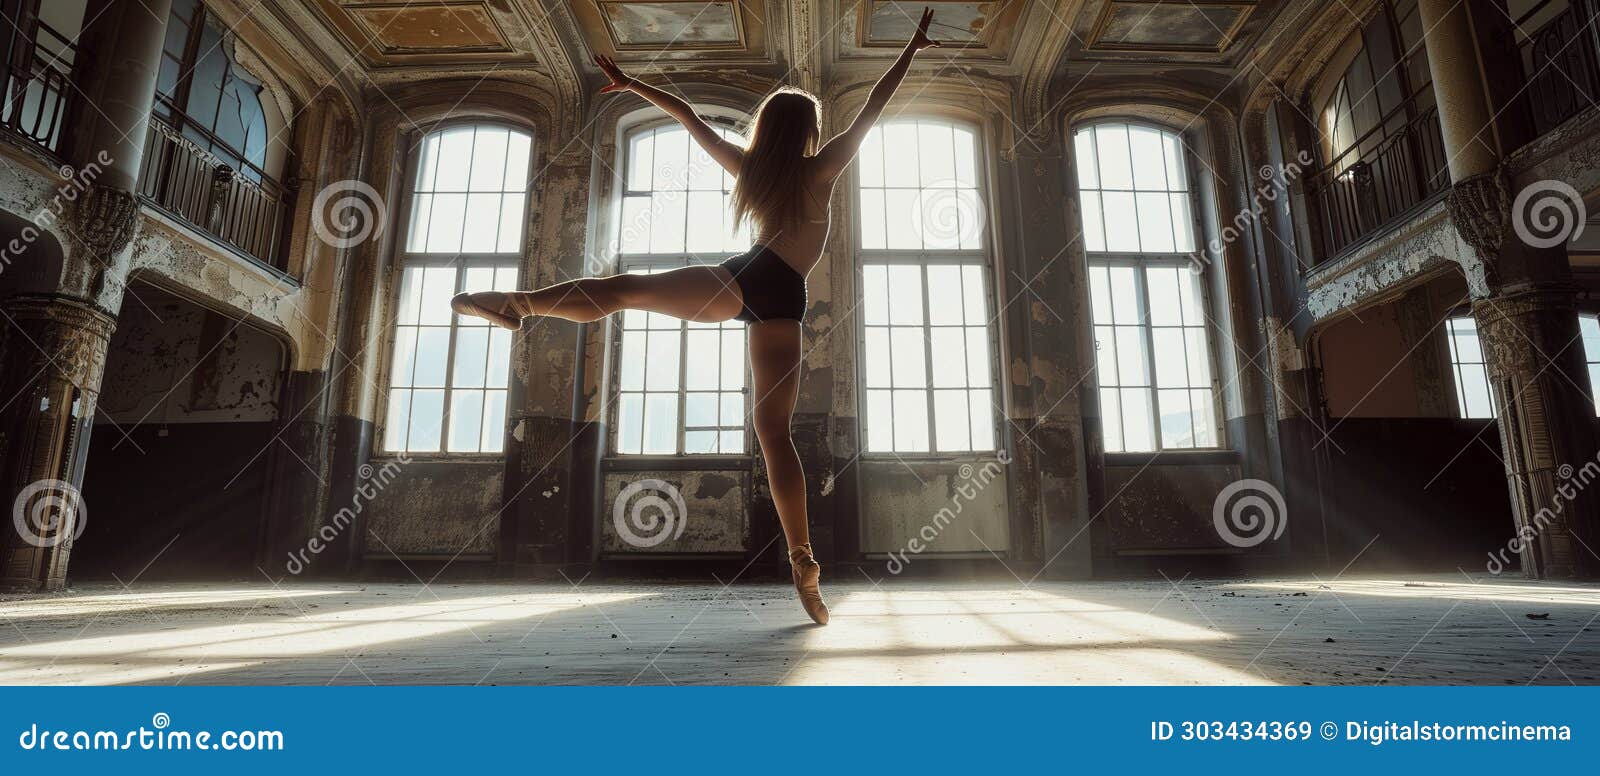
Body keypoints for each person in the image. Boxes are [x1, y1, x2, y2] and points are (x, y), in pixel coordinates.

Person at [452, 8, 943, 625]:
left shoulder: (754, 168)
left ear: (768, 128)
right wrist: (913, 50)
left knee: (626, 288)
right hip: (783, 297)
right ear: (810, 131)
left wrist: (635, 86)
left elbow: (687, 115)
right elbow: (873, 106)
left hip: (743, 280)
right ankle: (803, 556)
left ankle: (519, 304)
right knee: (775, 434)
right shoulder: (821, 170)